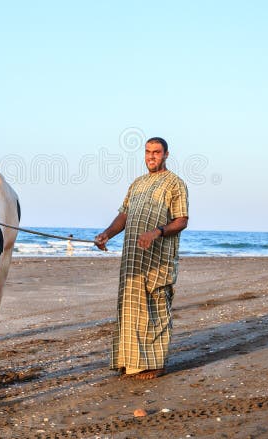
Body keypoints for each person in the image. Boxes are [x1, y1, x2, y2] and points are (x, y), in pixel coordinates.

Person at [94, 137, 189, 380]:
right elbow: (123, 215)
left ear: (166, 154)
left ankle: (155, 364)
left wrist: (157, 232)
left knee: (156, 307)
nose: (151, 156)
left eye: (156, 152)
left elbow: (181, 221)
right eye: (148, 152)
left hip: (158, 260)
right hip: (133, 260)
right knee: (130, 308)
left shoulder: (175, 184)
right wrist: (107, 234)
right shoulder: (136, 184)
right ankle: (131, 362)